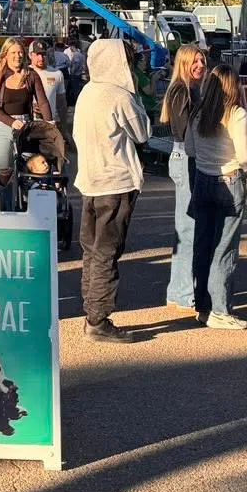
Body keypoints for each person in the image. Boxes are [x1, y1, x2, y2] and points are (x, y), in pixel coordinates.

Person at [74, 38, 149, 344]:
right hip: (116, 182)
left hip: (90, 179)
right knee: (107, 251)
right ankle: (98, 319)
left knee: (91, 251)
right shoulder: (120, 96)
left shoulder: (87, 92)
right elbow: (142, 133)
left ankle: (91, 309)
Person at [184, 66, 247, 328]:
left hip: (202, 177)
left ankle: (202, 304)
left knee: (202, 244)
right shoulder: (236, 113)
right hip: (229, 177)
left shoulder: (198, 112)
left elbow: (190, 148)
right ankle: (221, 309)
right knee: (225, 247)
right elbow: (244, 155)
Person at [159, 45, 206, 314]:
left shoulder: (193, 89)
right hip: (185, 155)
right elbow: (183, 128)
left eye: (202, 59)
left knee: (188, 227)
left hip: (189, 156)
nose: (200, 64)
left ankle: (180, 290)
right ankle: (183, 292)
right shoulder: (181, 90)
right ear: (184, 63)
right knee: (187, 227)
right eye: (194, 61)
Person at [0, 37, 52, 193]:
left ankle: (28, 206)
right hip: (1, 125)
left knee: (32, 167)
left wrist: (50, 124)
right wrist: (11, 122)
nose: (18, 56)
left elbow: (43, 102)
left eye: (21, 52)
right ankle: (4, 208)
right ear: (6, 54)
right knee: (4, 172)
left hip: (25, 125)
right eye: (13, 52)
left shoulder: (31, 75)